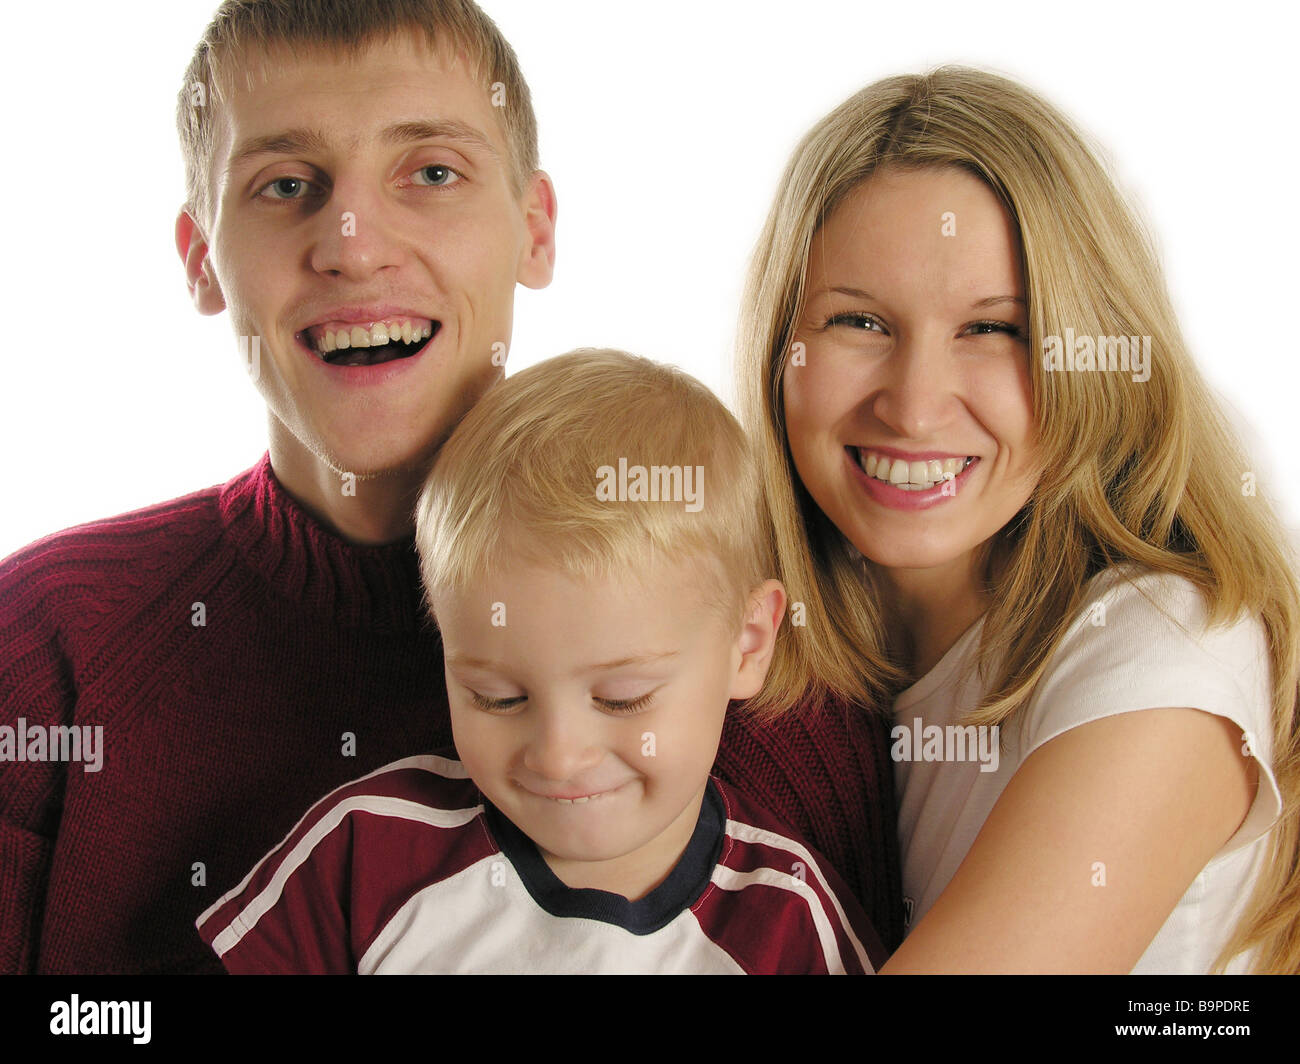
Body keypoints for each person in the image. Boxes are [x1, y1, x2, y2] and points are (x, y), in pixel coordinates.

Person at [0, 0, 901, 974]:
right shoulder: (48, 646)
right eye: (285, 183)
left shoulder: (772, 685)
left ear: (534, 228)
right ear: (200, 255)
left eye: (431, 172)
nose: (353, 243)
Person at [737, 66, 1298, 973]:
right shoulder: (761, 649)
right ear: (780, 352)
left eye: (995, 330)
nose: (915, 407)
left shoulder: (1161, 643)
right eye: (860, 323)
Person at [197, 350, 885, 974]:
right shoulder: (365, 853)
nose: (556, 756)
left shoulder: (790, 923)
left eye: (622, 698)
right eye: (496, 697)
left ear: (749, 643)